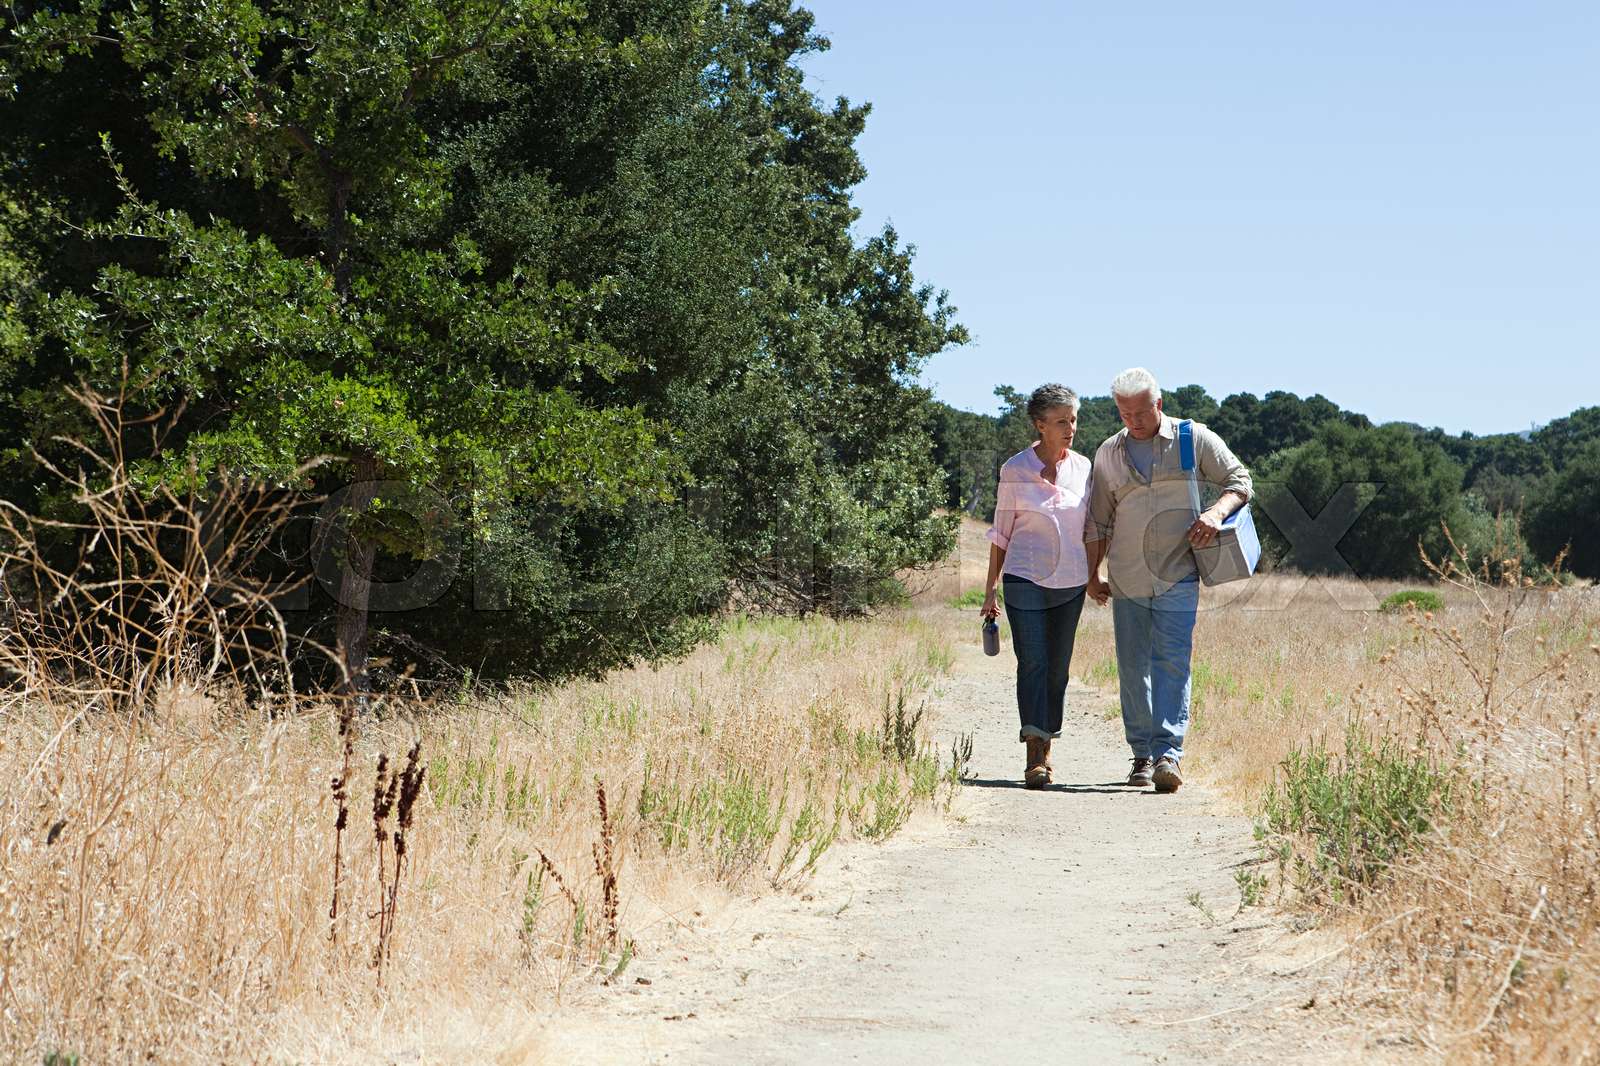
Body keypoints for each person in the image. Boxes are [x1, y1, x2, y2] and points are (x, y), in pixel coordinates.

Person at [1084, 367, 1252, 793]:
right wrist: (1092, 573)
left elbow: (1240, 481)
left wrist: (1215, 514)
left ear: (1159, 404)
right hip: (1127, 575)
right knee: (1133, 666)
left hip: (1179, 572)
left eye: (1141, 412)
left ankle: (1168, 755)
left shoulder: (1191, 439)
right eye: (1125, 413)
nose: (1133, 421)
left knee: (1173, 661)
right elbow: (1098, 520)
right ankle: (1141, 754)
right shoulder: (1109, 452)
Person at [981, 384, 1092, 790]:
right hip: (1024, 578)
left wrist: (1096, 574)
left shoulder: (1084, 468)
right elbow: (1001, 532)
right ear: (1040, 424)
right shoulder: (1015, 469)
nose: (1071, 428)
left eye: (1073, 419)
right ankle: (1035, 751)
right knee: (1032, 662)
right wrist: (990, 589)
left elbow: (1092, 528)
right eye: (1062, 421)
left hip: (1072, 581)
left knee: (1058, 668)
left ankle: (1048, 739)